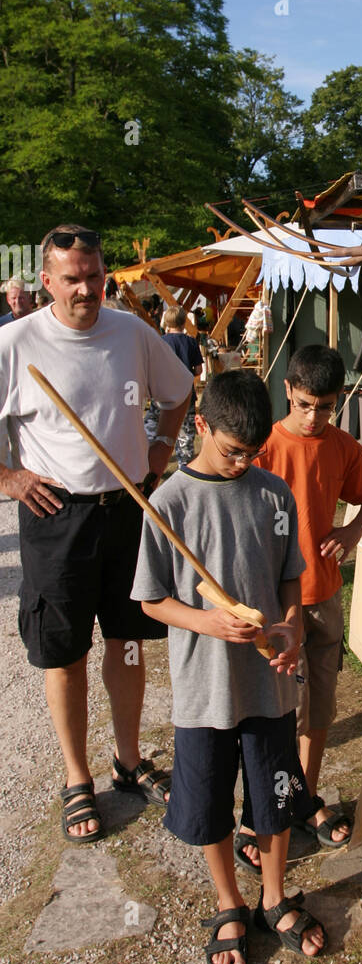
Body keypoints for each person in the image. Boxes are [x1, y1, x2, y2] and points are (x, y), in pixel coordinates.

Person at [0, 225, 193, 843]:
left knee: (129, 641)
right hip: (55, 516)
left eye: (94, 275)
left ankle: (130, 760)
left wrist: (161, 450)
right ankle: (76, 776)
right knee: (64, 651)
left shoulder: (132, 334)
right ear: (47, 282)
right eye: (72, 278)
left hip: (126, 510)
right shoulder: (17, 342)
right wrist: (9, 477)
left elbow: (180, 393)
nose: (86, 288)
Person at [131, 370, 326, 964]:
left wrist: (291, 625)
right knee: (209, 802)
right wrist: (207, 622)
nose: (243, 463)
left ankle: (273, 896)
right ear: (200, 427)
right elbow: (151, 599)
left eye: (253, 452)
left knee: (274, 797)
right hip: (205, 689)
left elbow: (289, 574)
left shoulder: (273, 494)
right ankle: (228, 900)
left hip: (268, 684)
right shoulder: (169, 504)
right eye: (230, 450)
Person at [235, 345, 362, 866]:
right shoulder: (262, 448)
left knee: (318, 704)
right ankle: (259, 812)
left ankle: (303, 796)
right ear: (287, 392)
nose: (314, 416)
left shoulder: (342, 446)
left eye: (324, 407)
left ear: (338, 401)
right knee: (271, 709)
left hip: (322, 595)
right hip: (272, 605)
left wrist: (352, 529)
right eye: (304, 404)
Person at [157, 305, 203, 464]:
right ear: (184, 322)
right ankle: (184, 467)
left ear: (167, 323)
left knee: (161, 433)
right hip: (186, 394)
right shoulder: (191, 342)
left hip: (164, 394)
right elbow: (199, 369)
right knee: (186, 436)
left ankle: (155, 464)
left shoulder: (161, 342)